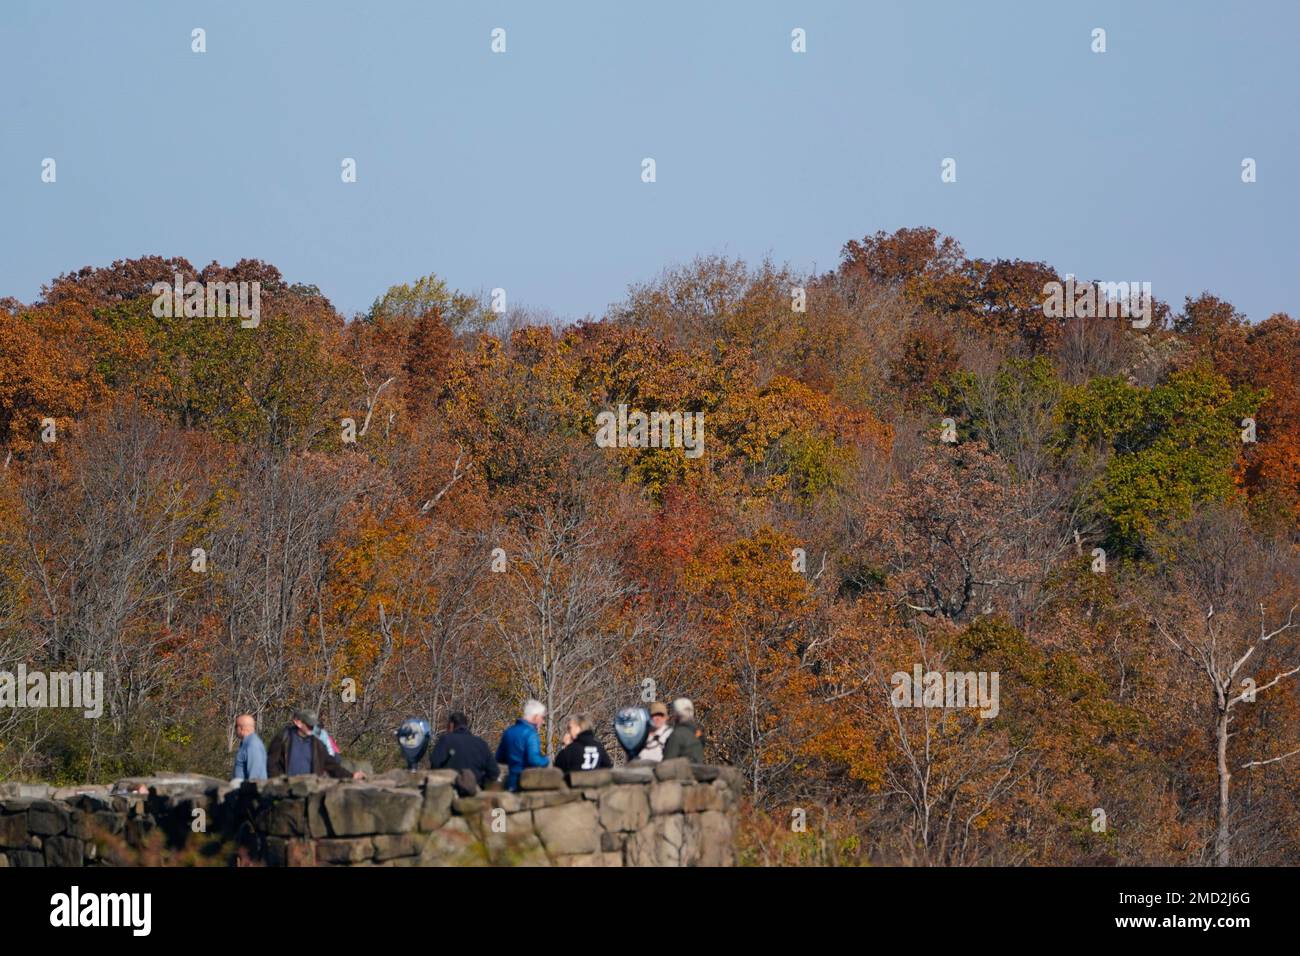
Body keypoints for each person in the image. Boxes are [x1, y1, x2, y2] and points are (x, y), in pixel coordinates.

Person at [267, 708, 365, 780]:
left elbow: (330, 764)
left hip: (309, 789)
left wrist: (351, 776)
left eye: (313, 726)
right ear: (299, 723)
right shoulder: (284, 737)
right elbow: (271, 763)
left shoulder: (316, 743)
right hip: (287, 788)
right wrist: (279, 781)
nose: (312, 728)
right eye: (309, 726)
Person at [428, 710, 498, 791]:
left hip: (449, 790)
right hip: (475, 791)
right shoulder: (481, 743)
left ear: (451, 725)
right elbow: (494, 772)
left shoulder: (446, 740)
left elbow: (434, 764)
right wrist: (480, 781)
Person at [495, 699, 550, 791]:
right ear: (536, 717)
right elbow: (534, 760)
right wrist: (546, 760)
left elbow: (499, 757)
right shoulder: (531, 734)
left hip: (511, 783)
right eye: (542, 717)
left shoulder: (509, 732)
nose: (543, 722)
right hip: (527, 783)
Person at [661, 697, 705, 763]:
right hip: (697, 772)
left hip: (680, 772)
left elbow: (667, 762)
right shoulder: (699, 733)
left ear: (676, 714)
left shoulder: (677, 734)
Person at [231, 714, 268, 782]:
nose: (235, 729)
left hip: (249, 790)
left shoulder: (253, 745)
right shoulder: (246, 743)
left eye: (236, 726)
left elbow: (254, 775)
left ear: (241, 728)